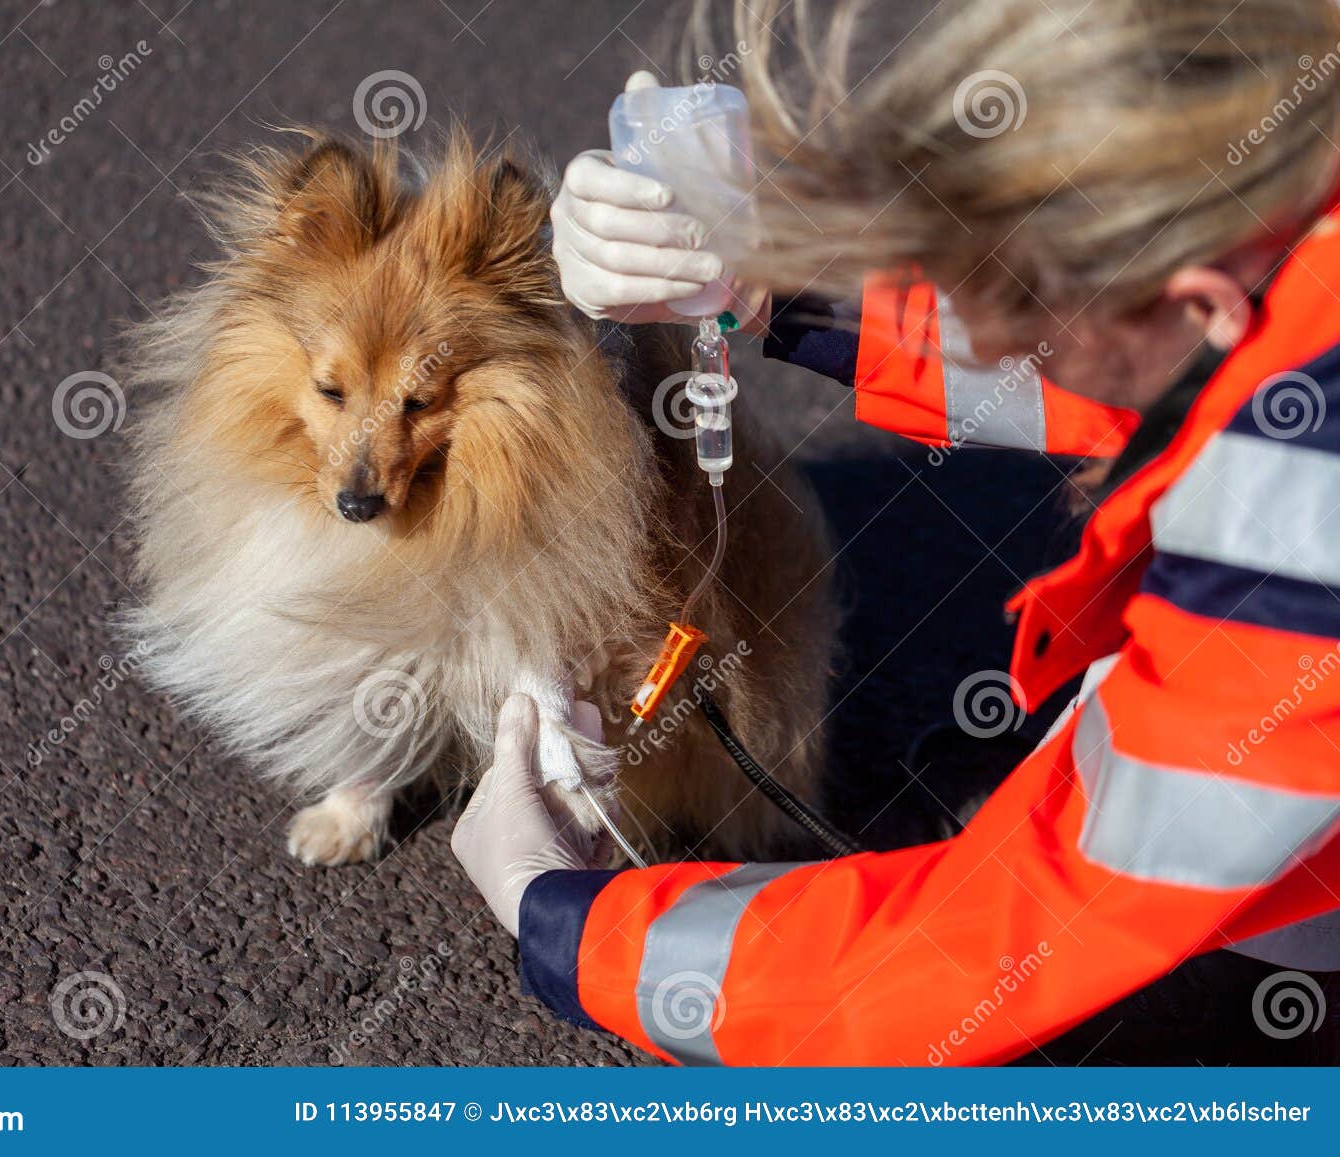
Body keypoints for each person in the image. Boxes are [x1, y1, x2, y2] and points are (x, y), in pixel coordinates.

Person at [452, 0, 1340, 1065]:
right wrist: (772, 289)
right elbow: (1128, 357)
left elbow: (983, 949)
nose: (1017, 354)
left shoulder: (1304, 538)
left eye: (1025, 327)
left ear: (1200, 307)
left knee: (1163, 840)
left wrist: (556, 913)